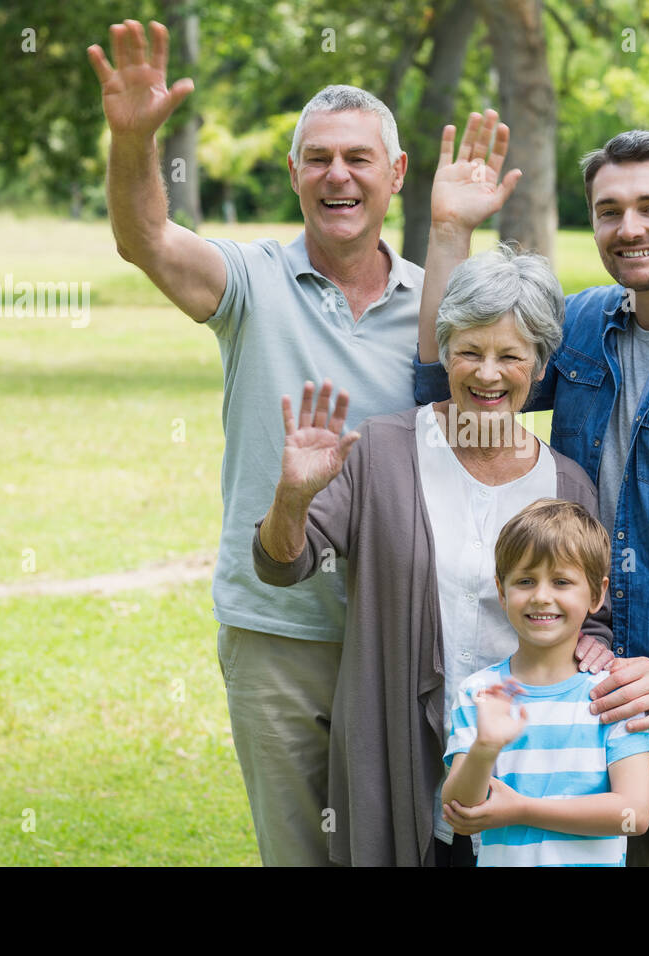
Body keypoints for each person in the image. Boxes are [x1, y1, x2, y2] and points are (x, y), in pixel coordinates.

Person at [416, 117, 649, 865]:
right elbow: (457, 377)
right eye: (609, 211)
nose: (630, 228)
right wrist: (449, 232)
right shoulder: (583, 323)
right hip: (576, 690)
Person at [87, 20, 424, 865]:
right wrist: (135, 141)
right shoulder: (248, 282)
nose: (336, 174)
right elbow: (147, 240)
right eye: (317, 158)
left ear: (395, 175)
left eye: (356, 157)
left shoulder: (437, 303)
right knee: (301, 852)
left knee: (403, 849)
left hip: (406, 629)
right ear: (294, 175)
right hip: (277, 628)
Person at [253, 247, 614, 866]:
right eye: (470, 351)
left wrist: (596, 642)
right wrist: (291, 497)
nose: (488, 374)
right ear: (444, 352)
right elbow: (283, 563)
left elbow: (589, 616)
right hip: (398, 755)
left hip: (527, 778)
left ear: (541, 365)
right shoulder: (382, 452)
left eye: (511, 356)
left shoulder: (567, 483)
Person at [440, 499, 649, 866]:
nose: (541, 596)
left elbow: (635, 813)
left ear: (596, 594)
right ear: (502, 590)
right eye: (525, 581)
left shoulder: (612, 695)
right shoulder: (480, 693)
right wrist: (485, 747)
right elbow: (461, 812)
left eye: (561, 581)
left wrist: (523, 810)